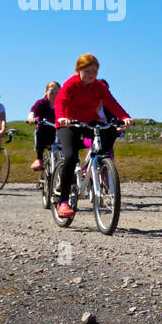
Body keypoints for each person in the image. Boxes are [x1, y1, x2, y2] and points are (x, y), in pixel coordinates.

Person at [54, 54, 133, 219]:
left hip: (89, 122)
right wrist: (62, 117)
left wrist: (125, 117)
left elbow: (112, 103)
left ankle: (101, 160)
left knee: (110, 131)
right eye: (88, 71)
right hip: (68, 123)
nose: (92, 74)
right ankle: (63, 202)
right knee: (69, 156)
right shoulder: (71, 84)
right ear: (79, 70)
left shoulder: (99, 87)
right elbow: (60, 101)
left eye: (95, 71)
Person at [28, 81, 61, 171]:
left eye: (57, 93)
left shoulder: (61, 104)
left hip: (57, 131)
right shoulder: (41, 103)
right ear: (46, 92)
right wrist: (31, 118)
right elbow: (33, 112)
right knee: (40, 131)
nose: (54, 96)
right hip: (44, 132)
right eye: (51, 93)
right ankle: (39, 158)